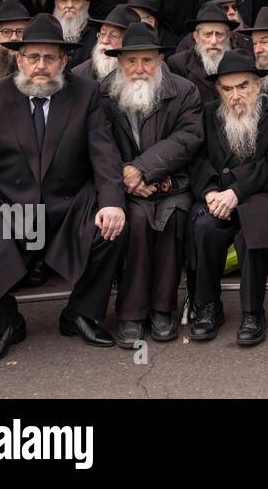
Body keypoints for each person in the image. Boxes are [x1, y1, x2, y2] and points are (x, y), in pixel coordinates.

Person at [0, 14, 126, 365]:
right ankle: (5, 323)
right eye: (33, 57)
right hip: (7, 209)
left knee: (114, 226)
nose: (41, 66)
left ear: (64, 60)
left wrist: (112, 203)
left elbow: (103, 153)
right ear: (19, 58)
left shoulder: (86, 94)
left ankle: (81, 313)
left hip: (67, 205)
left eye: (49, 58)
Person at [101, 23, 204, 345]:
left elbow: (188, 138)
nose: (140, 69)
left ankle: (162, 309)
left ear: (160, 59)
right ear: (120, 62)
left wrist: (144, 170)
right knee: (136, 222)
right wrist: (126, 175)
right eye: (131, 61)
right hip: (122, 187)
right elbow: (96, 144)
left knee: (173, 219)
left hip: (173, 184)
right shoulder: (102, 92)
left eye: (147, 60)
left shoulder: (184, 90)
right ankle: (131, 312)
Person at [188, 51, 268, 346]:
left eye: (243, 86)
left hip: (261, 194)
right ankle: (208, 305)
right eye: (227, 89)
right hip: (216, 194)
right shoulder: (208, 114)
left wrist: (236, 191)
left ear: (258, 85)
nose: (235, 95)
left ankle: (252, 311)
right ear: (218, 90)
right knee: (204, 226)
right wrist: (210, 191)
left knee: (255, 223)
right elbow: (197, 160)